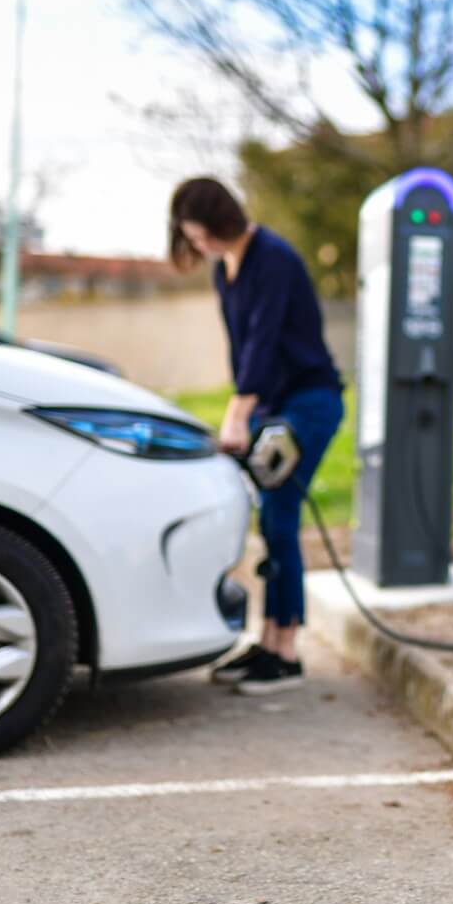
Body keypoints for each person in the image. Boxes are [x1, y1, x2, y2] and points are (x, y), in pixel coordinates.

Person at [167, 178, 344, 695]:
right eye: (192, 240)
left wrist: (236, 414)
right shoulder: (226, 270)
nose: (200, 247)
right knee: (270, 518)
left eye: (204, 236)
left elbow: (264, 345)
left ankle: (286, 651)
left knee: (281, 515)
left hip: (310, 402)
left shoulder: (274, 258)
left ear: (224, 221)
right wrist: (250, 407)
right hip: (271, 404)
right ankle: (267, 641)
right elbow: (242, 351)